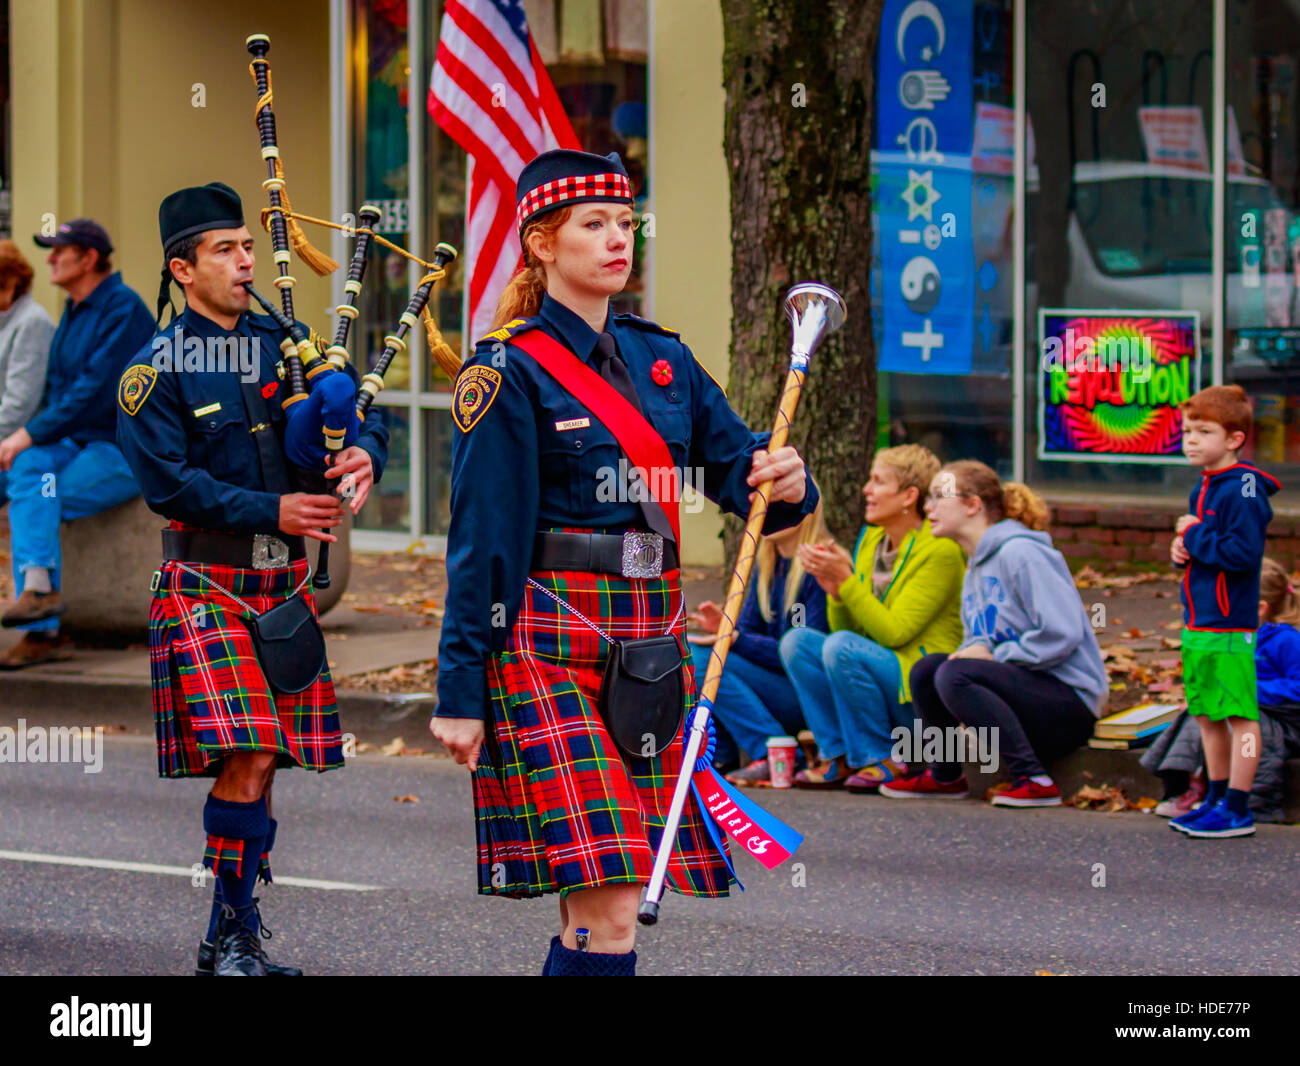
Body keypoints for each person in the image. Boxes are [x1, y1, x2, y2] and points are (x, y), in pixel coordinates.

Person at [430, 149, 818, 977]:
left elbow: (746, 481)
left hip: (649, 637)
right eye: (594, 225)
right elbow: (481, 543)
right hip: (545, 642)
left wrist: (789, 476)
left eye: (625, 224)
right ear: (541, 243)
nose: (618, 240)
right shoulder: (507, 368)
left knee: (602, 911)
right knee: (610, 898)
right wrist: (461, 689)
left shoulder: (661, 358)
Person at [116, 182, 389, 975]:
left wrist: (362, 446)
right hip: (205, 585)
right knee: (251, 755)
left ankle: (225, 935)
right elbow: (167, 485)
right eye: (226, 250)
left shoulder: (285, 342)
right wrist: (275, 505)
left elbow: (344, 421)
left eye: (247, 245)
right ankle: (233, 934)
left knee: (263, 762)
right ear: (182, 268)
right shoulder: (153, 369)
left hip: (282, 589)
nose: (247, 261)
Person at [880, 461, 1108, 807]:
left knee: (954, 673)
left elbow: (1062, 632)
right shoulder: (975, 564)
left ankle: (1034, 779)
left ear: (973, 505)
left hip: (1069, 706)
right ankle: (945, 776)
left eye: (939, 497)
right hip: (1025, 697)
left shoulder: (1022, 553)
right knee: (928, 670)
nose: (927, 508)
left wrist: (993, 656)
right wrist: (975, 650)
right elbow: (981, 637)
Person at [0, 219, 155, 668]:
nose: (49, 258)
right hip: (80, 442)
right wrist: (28, 440)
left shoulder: (123, 308)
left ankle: (40, 624)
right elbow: (57, 389)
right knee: (29, 468)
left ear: (88, 258)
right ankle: (39, 595)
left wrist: (27, 431)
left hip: (123, 449)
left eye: (58, 250)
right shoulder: (74, 307)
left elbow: (94, 390)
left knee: (38, 496)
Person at [779, 444, 964, 791]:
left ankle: (882, 756)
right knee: (798, 642)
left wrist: (847, 582)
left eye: (878, 482)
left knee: (841, 647)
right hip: (877, 677)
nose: (867, 490)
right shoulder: (872, 539)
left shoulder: (941, 551)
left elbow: (894, 633)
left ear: (909, 495)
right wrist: (835, 591)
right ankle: (838, 755)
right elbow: (851, 632)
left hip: (916, 698)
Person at [1165, 385, 1278, 839]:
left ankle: (1238, 806)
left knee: (1238, 716)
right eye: (1187, 431)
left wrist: (1193, 539)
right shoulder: (1204, 486)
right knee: (1207, 715)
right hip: (1200, 622)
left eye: (1203, 431)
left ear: (1233, 439)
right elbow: (1206, 551)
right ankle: (1213, 797)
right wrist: (1182, 552)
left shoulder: (1245, 488)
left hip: (1229, 624)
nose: (1190, 440)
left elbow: (1243, 555)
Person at [1145, 557, 1300, 824]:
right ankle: (1194, 788)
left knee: (1241, 720)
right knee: (1202, 714)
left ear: (1259, 608)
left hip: (1281, 723)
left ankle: (1243, 800)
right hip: (1236, 709)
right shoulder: (1227, 638)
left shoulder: (1285, 640)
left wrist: (1251, 691)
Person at [688, 500, 830, 785]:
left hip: (808, 698)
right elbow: (751, 639)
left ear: (804, 511)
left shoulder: (820, 565)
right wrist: (726, 631)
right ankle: (719, 757)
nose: (765, 514)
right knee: (698, 654)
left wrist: (735, 638)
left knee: (708, 659)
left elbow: (803, 658)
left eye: (779, 505)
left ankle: (772, 753)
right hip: (773, 689)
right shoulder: (768, 566)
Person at [0, 240, 53, 505]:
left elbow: (19, 405)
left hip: (20, 447)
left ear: (11, 284)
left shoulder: (32, 322)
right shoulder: (5, 322)